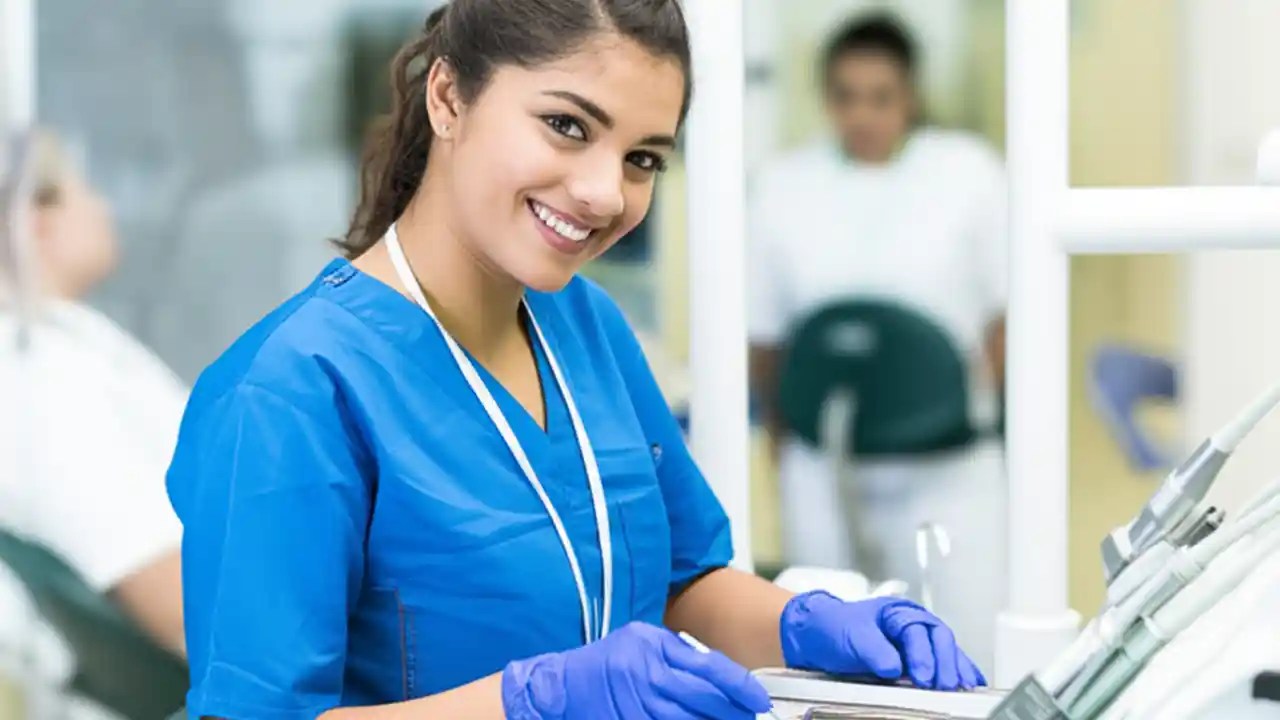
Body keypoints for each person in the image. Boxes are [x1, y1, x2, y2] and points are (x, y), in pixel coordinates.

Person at [166, 2, 985, 718]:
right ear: (449, 97)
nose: (604, 193)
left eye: (643, 159)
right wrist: (529, 704)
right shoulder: (289, 392)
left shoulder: (584, 325)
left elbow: (679, 583)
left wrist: (812, 625)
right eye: (567, 125)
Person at [746, 14, 1009, 668]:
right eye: (845, 96)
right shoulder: (785, 185)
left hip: (949, 468)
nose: (862, 114)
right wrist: (779, 435)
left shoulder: (968, 174)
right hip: (824, 465)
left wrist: (981, 409)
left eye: (880, 96)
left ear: (910, 96)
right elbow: (766, 335)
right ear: (826, 99)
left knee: (964, 650)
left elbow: (1010, 318)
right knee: (833, 658)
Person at [0, 131, 188, 666]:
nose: (103, 207)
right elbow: (174, 601)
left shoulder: (62, 349)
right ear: (40, 222)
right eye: (86, 190)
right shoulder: (35, 382)